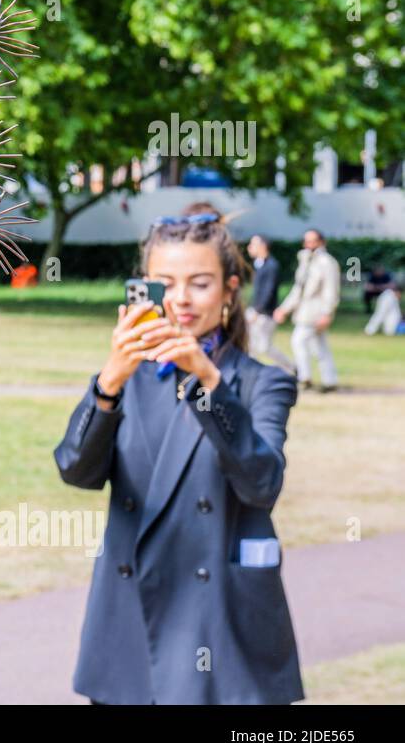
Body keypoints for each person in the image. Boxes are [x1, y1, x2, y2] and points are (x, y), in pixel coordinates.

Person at [54, 201, 303, 705]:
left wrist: (207, 380)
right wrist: (108, 382)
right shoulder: (127, 376)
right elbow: (76, 471)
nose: (181, 300)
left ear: (231, 290)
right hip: (127, 615)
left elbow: (261, 484)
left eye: (200, 282)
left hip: (219, 617)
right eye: (164, 282)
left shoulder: (261, 382)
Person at [273, 229, 340, 393]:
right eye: (306, 241)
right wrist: (284, 309)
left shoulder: (327, 262)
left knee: (299, 341)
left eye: (312, 241)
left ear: (321, 242)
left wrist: (327, 313)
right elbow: (298, 290)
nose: (308, 245)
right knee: (319, 346)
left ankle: (305, 378)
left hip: (316, 312)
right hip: (304, 311)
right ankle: (329, 380)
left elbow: (331, 290)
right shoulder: (305, 261)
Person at [244, 234, 295, 374]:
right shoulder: (260, 264)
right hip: (255, 310)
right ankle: (249, 371)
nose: (250, 247)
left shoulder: (271, 266)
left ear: (263, 246)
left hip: (264, 313)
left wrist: (258, 310)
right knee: (251, 345)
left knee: (264, 347)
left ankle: (291, 367)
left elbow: (269, 290)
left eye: (253, 244)